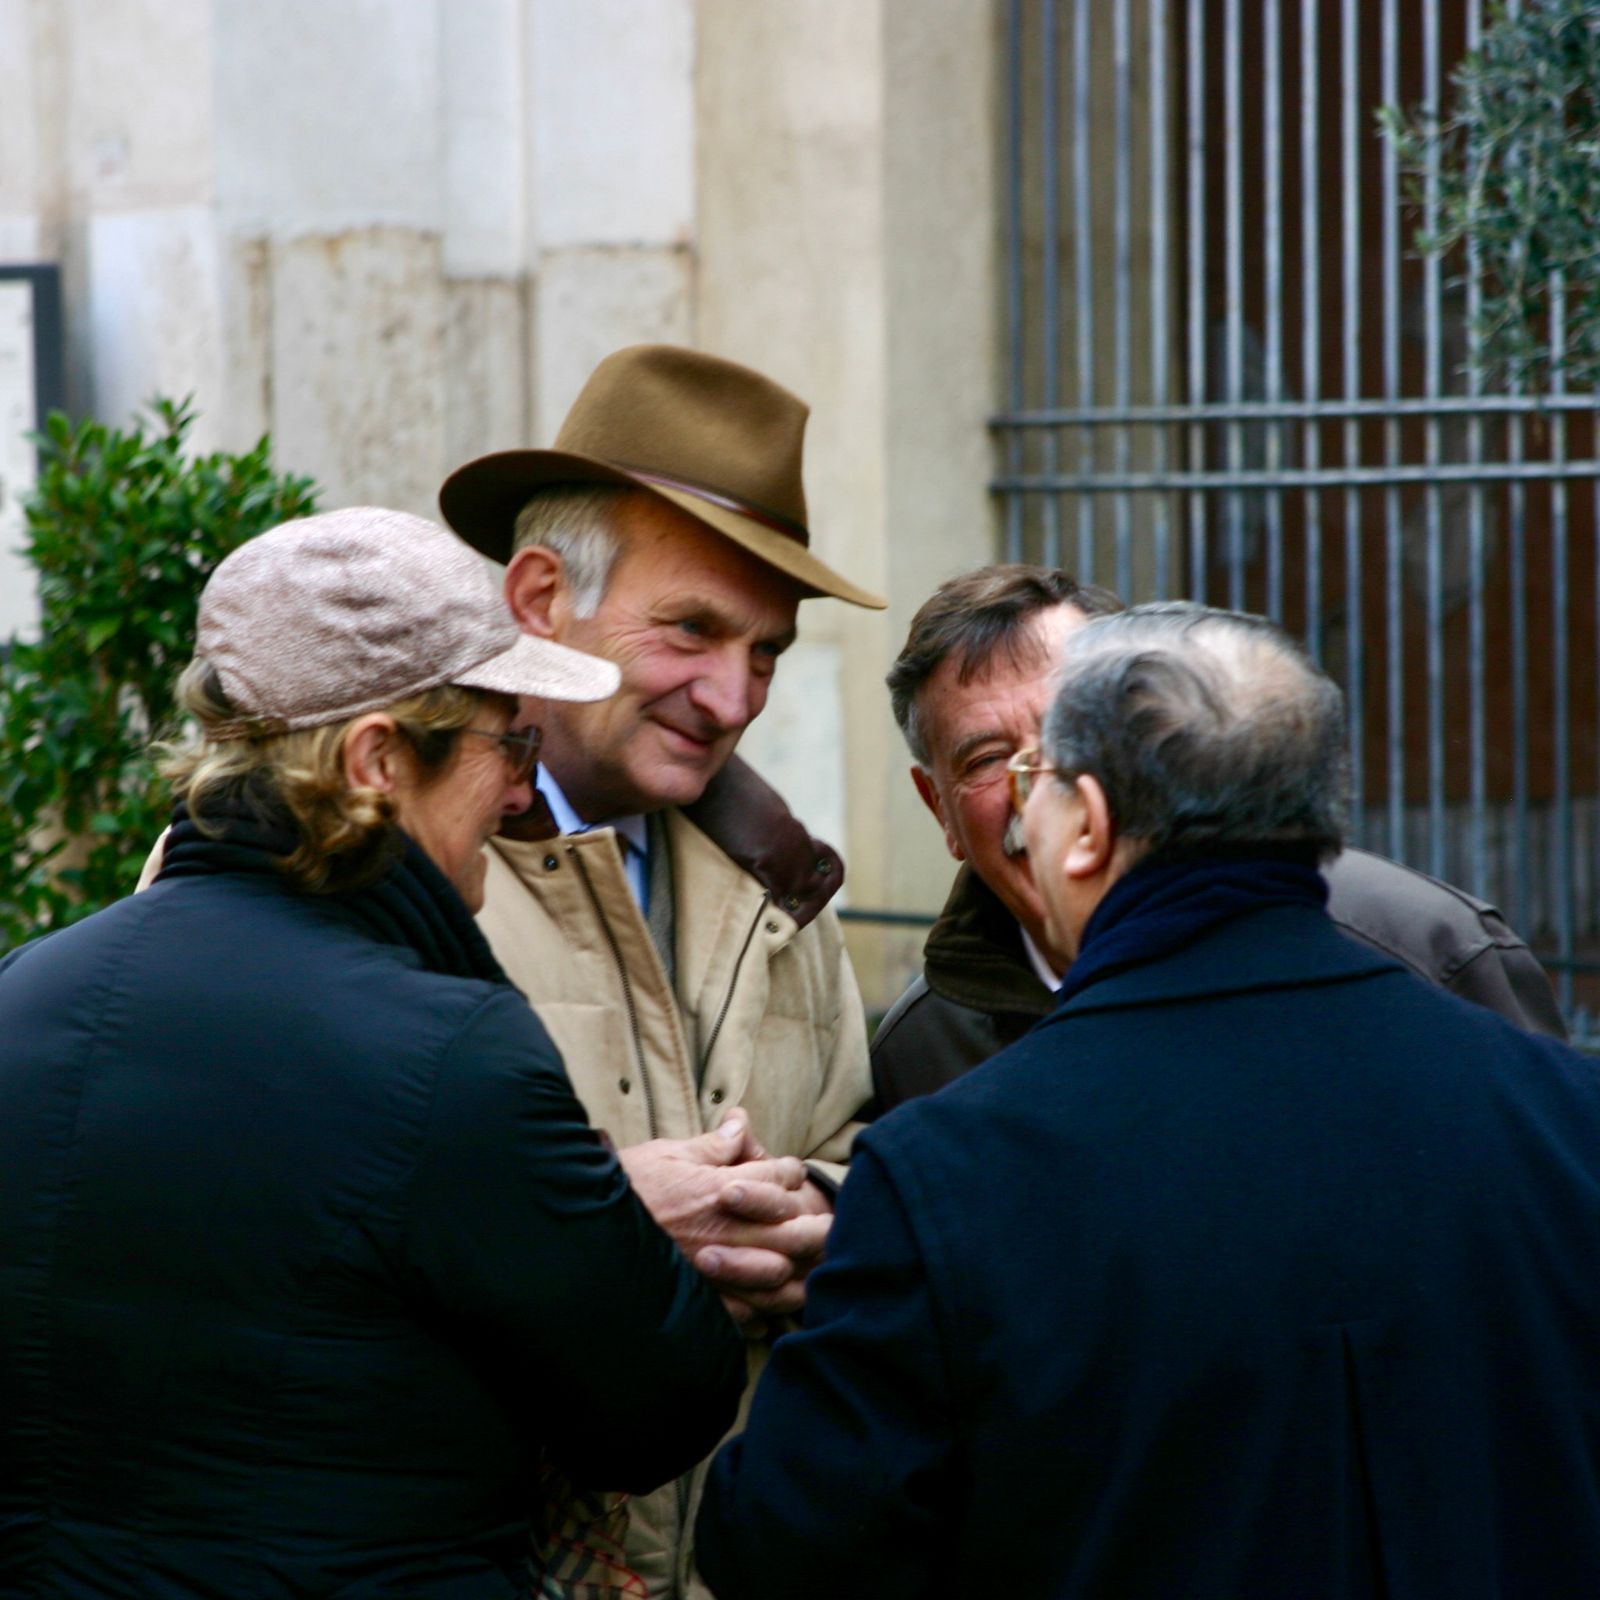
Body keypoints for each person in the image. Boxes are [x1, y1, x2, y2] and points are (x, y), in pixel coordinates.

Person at [697, 602, 1600, 1599]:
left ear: (1084, 824)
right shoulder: (1570, 1115)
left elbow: (786, 1547)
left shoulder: (944, 1175)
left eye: (1034, 781)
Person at [0, 507, 746, 1598]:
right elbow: (663, 1406)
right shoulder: (451, 1050)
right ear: (377, 761)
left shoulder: (25, 988)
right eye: (510, 739)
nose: (517, 789)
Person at [436, 343, 883, 1596]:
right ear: (538, 597)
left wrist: (816, 1221)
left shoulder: (784, 886)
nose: (732, 693)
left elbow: (849, 1137)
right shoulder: (358, 859)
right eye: (691, 629)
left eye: (767, 650)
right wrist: (590, 1229)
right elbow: (254, 1223)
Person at [872, 565, 1565, 1110]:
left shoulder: (1425, 947)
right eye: (987, 759)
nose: (1037, 782)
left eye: (1066, 732)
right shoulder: (924, 1048)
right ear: (939, 808)